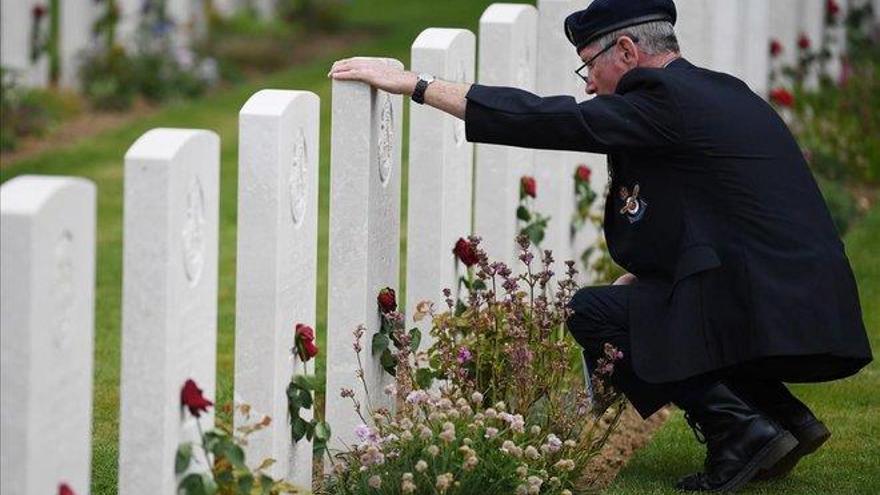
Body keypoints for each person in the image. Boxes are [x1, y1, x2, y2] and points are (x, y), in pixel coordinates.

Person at [327, 0, 872, 491]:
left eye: (589, 65)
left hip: (767, 306)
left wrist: (420, 86)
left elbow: (553, 119)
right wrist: (648, 275)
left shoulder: (661, 98)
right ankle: (786, 420)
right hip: (802, 306)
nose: (588, 83)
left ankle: (740, 433)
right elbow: (714, 209)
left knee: (595, 313)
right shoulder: (719, 89)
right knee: (643, 304)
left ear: (628, 50)